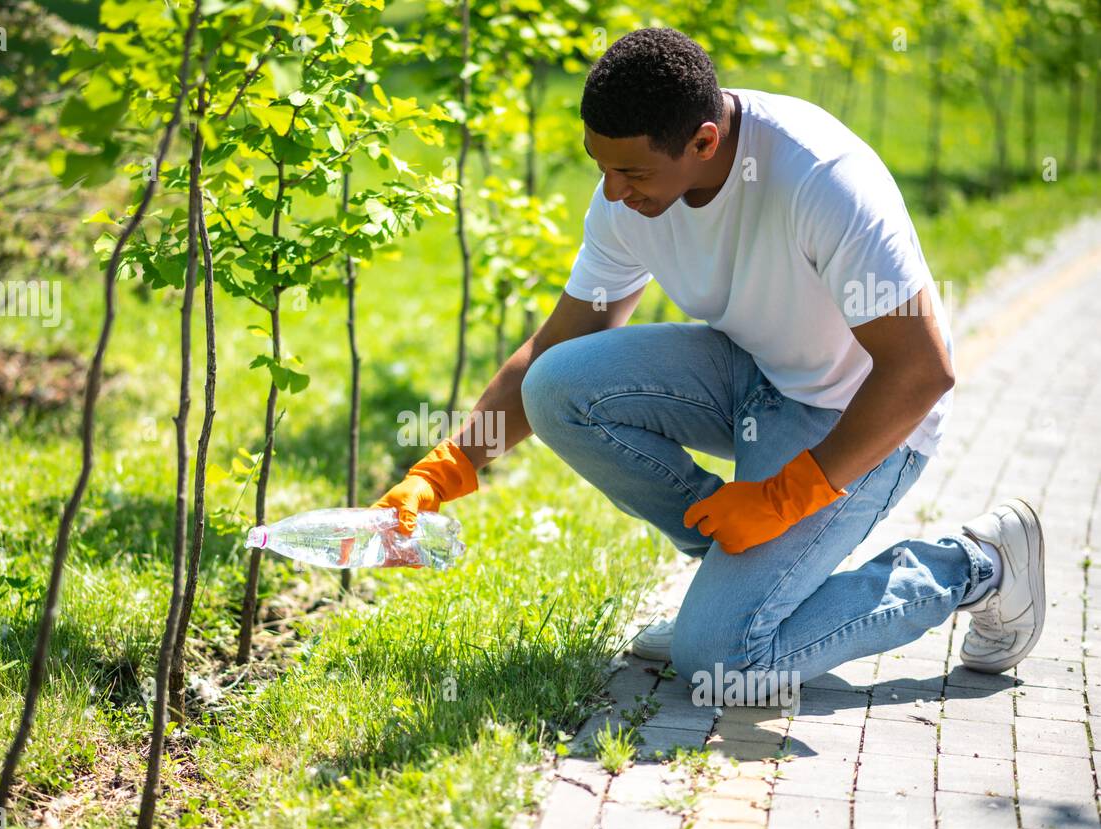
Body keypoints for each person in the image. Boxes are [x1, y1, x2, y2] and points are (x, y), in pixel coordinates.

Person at [374, 27, 1045, 701]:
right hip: (753, 375)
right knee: (558, 386)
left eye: (631, 174)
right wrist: (446, 469)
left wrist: (786, 499)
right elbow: (552, 348)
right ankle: (738, 580)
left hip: (864, 415)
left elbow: (921, 372)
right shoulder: (628, 192)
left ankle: (976, 566)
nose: (612, 194)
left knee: (725, 662)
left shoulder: (821, 179)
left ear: (703, 142)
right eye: (599, 167)